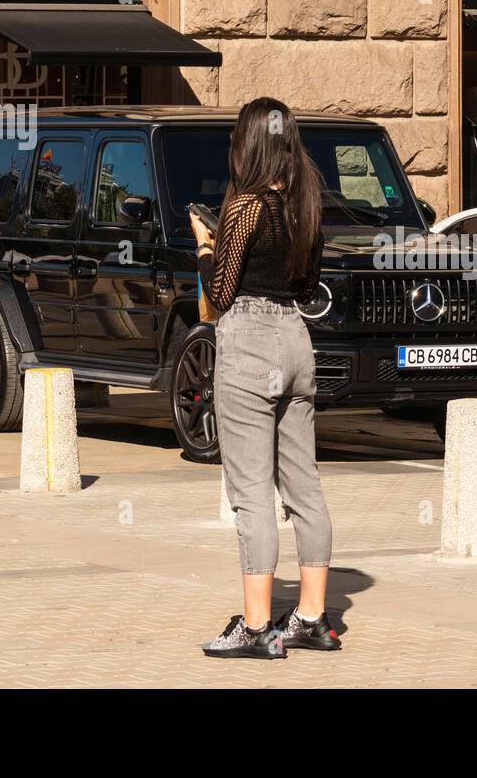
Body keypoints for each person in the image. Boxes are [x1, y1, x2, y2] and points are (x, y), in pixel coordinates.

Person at [191, 97, 338, 660]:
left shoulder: (246, 203)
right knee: (305, 487)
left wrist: (205, 246)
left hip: (249, 339)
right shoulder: (306, 204)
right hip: (296, 339)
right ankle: (312, 618)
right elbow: (307, 288)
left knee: (251, 493)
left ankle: (255, 628)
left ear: (247, 143)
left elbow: (221, 293)